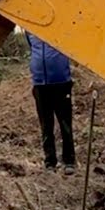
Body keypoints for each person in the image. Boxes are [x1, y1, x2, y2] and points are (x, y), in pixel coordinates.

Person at [27, 31, 75, 173]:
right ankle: (50, 162)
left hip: (61, 82)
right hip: (40, 84)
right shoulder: (29, 31)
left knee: (65, 123)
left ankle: (69, 161)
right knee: (46, 125)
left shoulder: (59, 28)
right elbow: (31, 46)